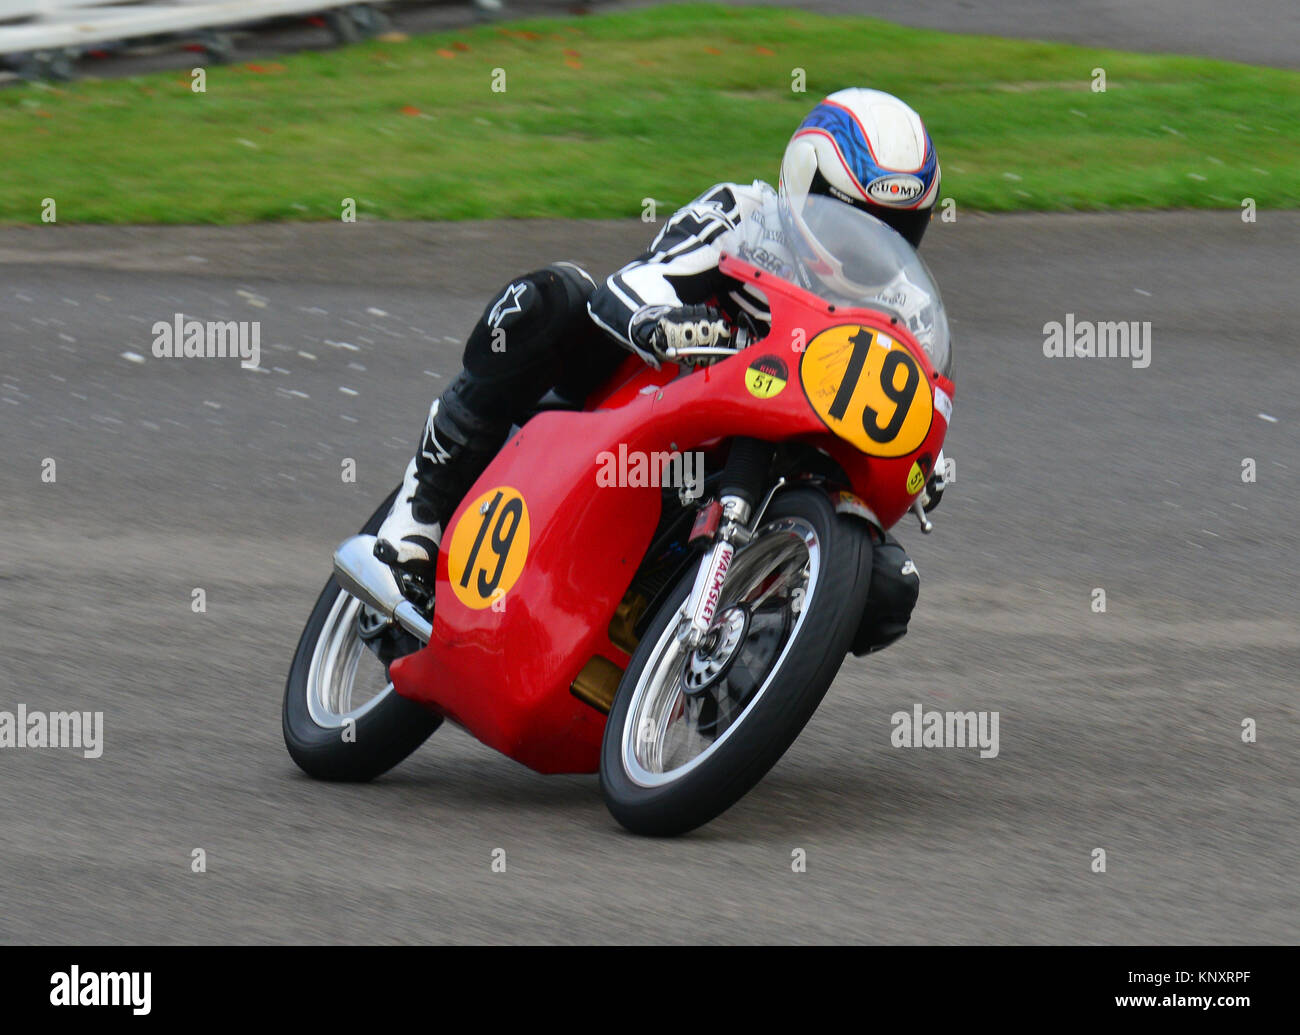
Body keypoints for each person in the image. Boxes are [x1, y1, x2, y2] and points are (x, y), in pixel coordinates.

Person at [375, 87, 943, 589]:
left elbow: (926, 394)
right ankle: (424, 500)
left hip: (784, 450)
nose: (872, 242)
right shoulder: (742, 216)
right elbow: (634, 281)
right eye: (857, 218)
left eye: (896, 227)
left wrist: (923, 454)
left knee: (889, 589)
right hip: (657, 402)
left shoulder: (907, 307)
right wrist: (662, 322)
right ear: (803, 183)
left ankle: (746, 663)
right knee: (552, 300)